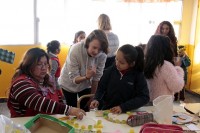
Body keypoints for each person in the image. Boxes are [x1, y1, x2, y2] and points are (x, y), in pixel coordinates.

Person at [7, 48, 85, 119]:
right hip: (26, 125)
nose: (44, 68)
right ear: (29, 65)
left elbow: (58, 99)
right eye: (39, 64)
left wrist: (64, 114)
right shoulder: (21, 83)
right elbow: (37, 102)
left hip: (46, 122)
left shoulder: (47, 80)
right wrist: (69, 110)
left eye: (45, 64)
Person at [90, 44, 149, 114]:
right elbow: (101, 88)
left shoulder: (138, 75)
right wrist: (97, 99)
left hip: (128, 113)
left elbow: (144, 97)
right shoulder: (110, 71)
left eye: (122, 62)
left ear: (131, 64)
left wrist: (123, 107)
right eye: (116, 59)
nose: (117, 64)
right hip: (108, 111)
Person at [58, 29, 108, 111]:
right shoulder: (75, 49)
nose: (96, 52)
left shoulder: (103, 55)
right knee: (72, 109)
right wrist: (87, 77)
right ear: (88, 43)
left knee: (85, 108)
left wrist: (92, 97)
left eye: (100, 49)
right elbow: (74, 79)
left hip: (86, 84)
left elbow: (96, 78)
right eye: (94, 47)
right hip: (69, 82)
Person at [144, 35, 184, 102]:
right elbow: (177, 86)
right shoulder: (165, 65)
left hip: (147, 102)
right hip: (162, 105)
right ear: (166, 48)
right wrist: (178, 68)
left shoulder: (145, 62)